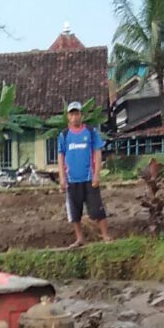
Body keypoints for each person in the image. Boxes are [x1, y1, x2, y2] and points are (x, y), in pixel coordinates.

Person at [53, 101, 110, 245]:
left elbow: (97, 153)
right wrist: (62, 178)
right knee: (74, 213)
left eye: (77, 114)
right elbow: (61, 157)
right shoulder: (64, 135)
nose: (75, 117)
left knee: (97, 209)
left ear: (81, 115)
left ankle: (105, 236)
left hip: (89, 178)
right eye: (72, 114)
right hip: (72, 180)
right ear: (68, 117)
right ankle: (80, 239)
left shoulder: (91, 132)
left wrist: (96, 174)